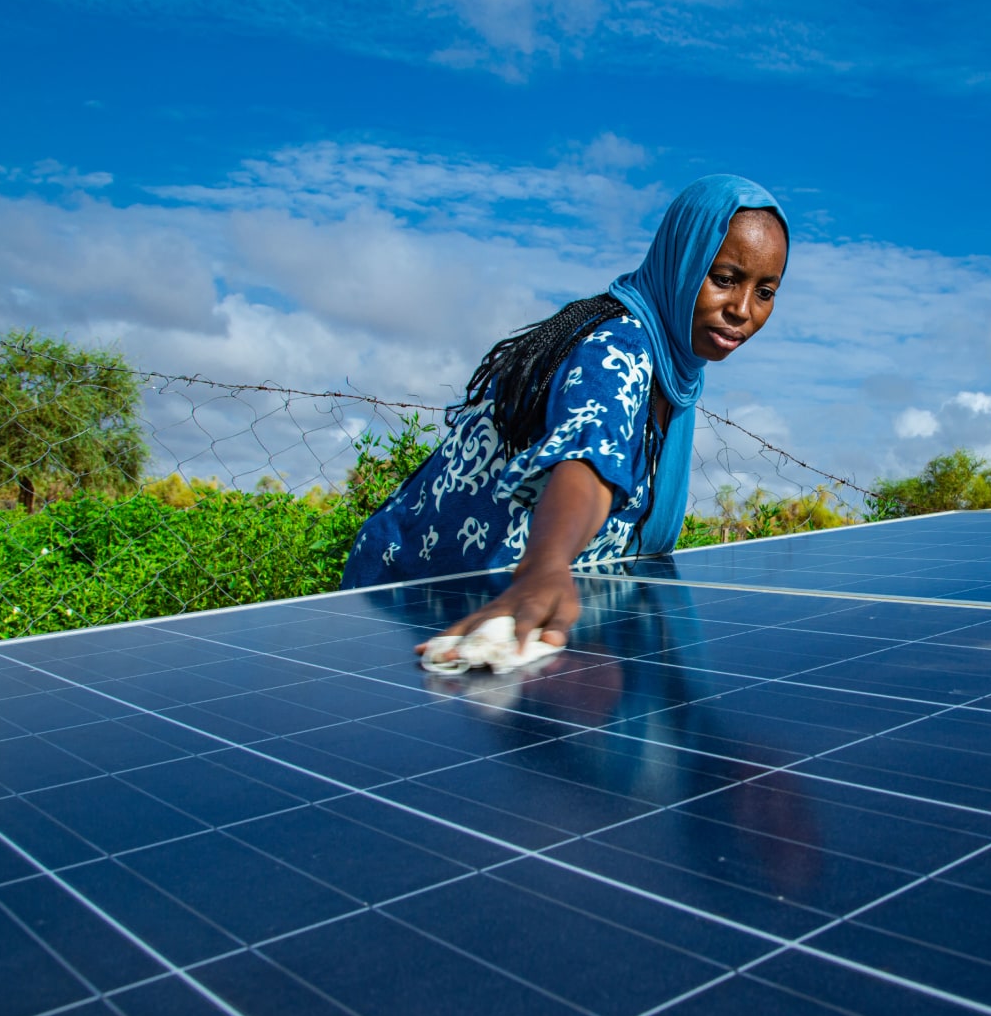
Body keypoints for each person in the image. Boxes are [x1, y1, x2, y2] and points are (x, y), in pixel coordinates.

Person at [337, 174, 790, 662]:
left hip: (500, 602)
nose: (742, 310)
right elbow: (589, 460)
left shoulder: (674, 370)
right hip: (408, 597)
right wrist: (547, 562)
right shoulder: (618, 348)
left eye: (765, 292)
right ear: (681, 260)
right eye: (724, 279)